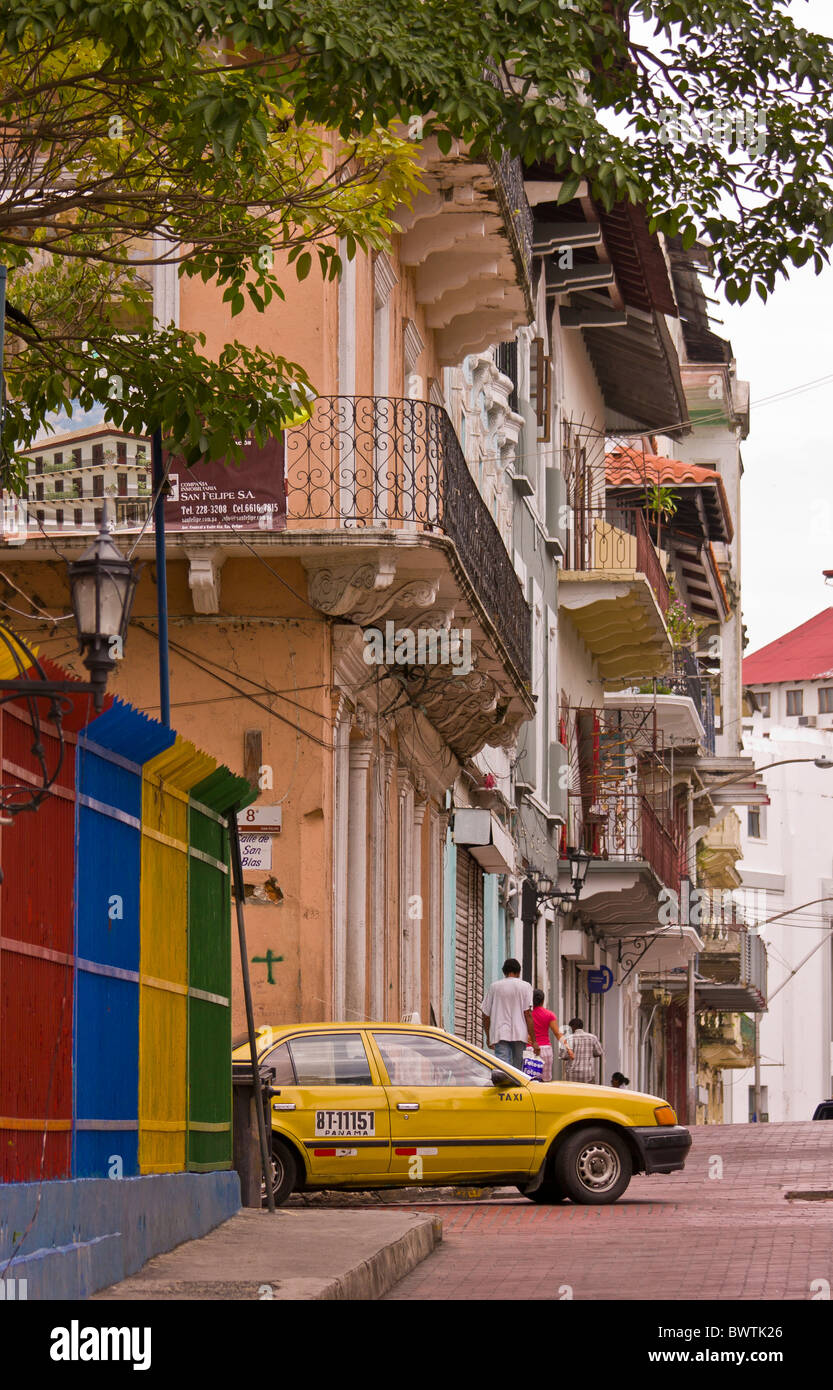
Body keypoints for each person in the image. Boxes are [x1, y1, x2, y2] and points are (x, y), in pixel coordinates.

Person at [481, 959, 537, 1071]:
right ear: (519, 972)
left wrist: (488, 1036)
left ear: (504, 971)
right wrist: (534, 1040)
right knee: (518, 1070)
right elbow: (528, 1014)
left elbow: (485, 1015)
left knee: (503, 1069)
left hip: (500, 1033)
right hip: (520, 1034)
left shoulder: (494, 987)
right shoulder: (526, 986)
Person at [528, 989, 573, 1081]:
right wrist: (568, 1048)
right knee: (545, 1081)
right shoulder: (549, 1015)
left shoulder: (527, 1015)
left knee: (529, 1081)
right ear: (543, 1001)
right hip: (545, 1050)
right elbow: (557, 1034)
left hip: (529, 1050)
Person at [560, 1016, 602, 1084]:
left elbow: (563, 1056)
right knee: (587, 1093)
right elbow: (599, 1053)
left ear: (572, 1027)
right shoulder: (592, 1037)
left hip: (572, 1074)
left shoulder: (568, 1039)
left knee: (573, 1093)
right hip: (587, 1073)